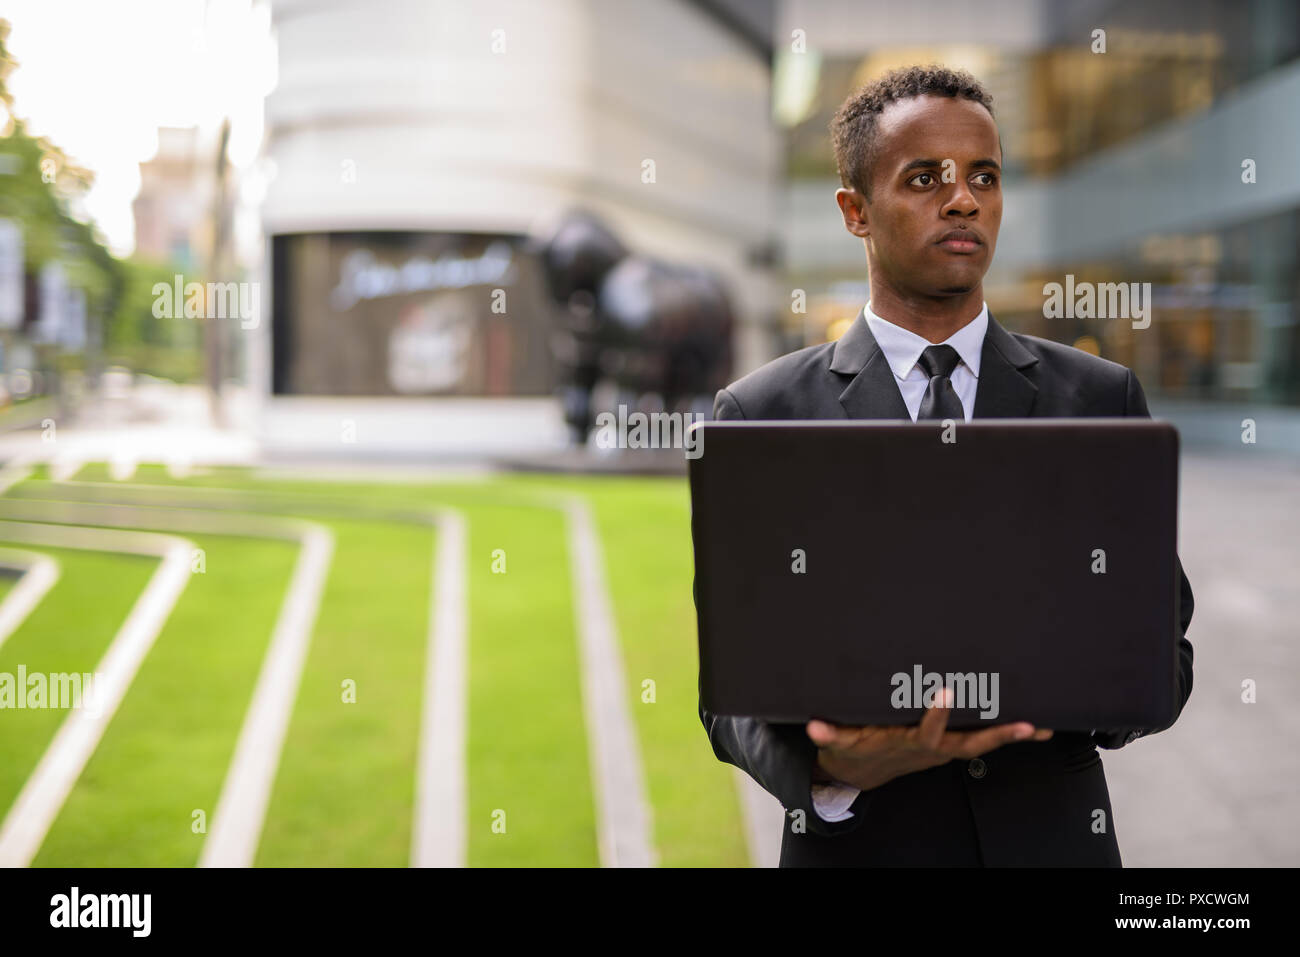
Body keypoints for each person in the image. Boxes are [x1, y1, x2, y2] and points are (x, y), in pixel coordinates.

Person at [698, 65, 1195, 867]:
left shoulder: (1099, 395)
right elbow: (728, 699)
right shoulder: (762, 414)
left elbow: (1166, 656)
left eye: (984, 177)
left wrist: (1085, 688)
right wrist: (834, 768)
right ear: (855, 211)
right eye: (925, 178)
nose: (962, 199)